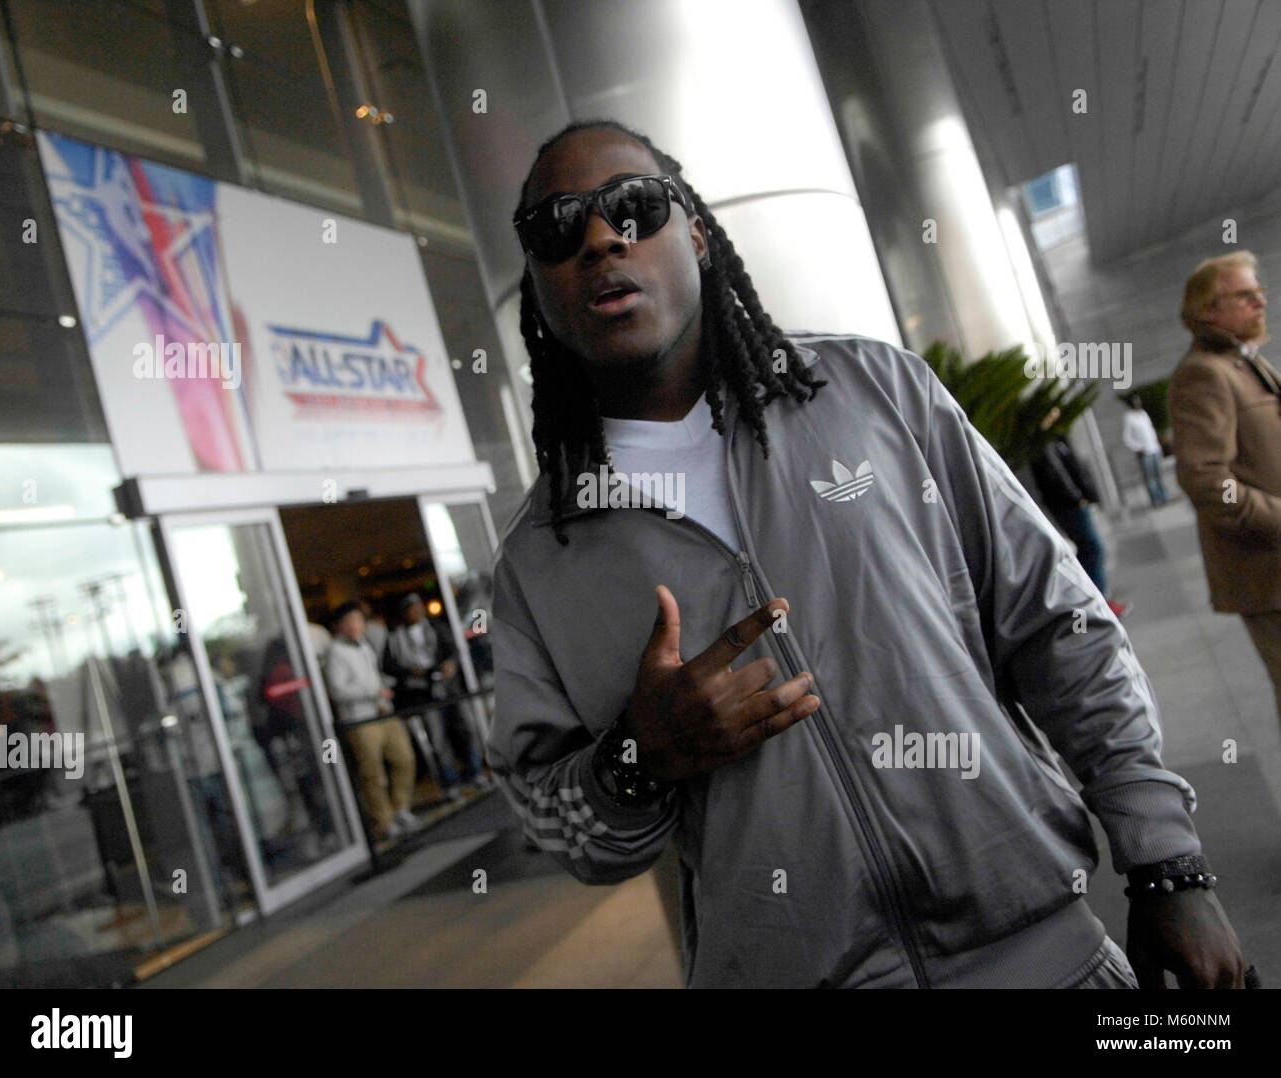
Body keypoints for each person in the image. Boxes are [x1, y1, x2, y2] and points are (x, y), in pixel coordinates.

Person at [486, 119, 1250, 989]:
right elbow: (557, 823)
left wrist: (1167, 861)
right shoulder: (541, 560)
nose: (598, 238)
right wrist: (639, 756)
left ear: (695, 234)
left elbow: (1058, 624)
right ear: (537, 282)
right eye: (557, 226)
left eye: (633, 205)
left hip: (1045, 956)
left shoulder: (876, 393)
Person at [1169, 251, 1281, 728]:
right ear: (1209, 310)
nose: (1260, 301)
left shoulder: (1243, 360)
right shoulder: (1204, 374)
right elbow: (1207, 481)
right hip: (1268, 572)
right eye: (1245, 295)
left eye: (1258, 291)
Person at [323, 601, 419, 844]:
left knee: (405, 759)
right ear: (340, 626)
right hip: (360, 719)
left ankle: (401, 808)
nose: (356, 625)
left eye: (359, 620)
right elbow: (337, 690)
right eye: (351, 621)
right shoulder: (335, 651)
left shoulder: (364, 645)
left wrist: (383, 689)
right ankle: (384, 821)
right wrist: (373, 691)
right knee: (372, 772)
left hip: (382, 711)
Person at [1029, 408, 1129, 619]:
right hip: (1069, 505)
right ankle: (1096, 603)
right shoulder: (1044, 445)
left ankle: (1094, 602)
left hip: (1075, 501)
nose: (1056, 415)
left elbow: (1075, 468)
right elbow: (1056, 475)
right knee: (1093, 548)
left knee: (1089, 549)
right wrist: (1076, 497)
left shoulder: (1057, 439)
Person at [383, 593, 487, 794]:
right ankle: (450, 782)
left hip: (450, 689)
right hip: (423, 694)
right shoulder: (395, 637)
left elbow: (454, 650)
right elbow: (388, 665)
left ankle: (475, 772)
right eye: (412, 609)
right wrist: (410, 671)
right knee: (438, 740)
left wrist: (450, 664)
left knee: (467, 729)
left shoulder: (436, 627)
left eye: (419, 607)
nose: (417, 612)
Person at [1122, 395, 1169, 507]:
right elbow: (1127, 438)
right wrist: (1139, 448)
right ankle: (1156, 500)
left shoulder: (1143, 414)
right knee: (1150, 479)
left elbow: (1150, 430)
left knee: (1159, 475)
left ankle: (1164, 497)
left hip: (1154, 449)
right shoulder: (1129, 417)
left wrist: (1157, 445)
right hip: (1145, 453)